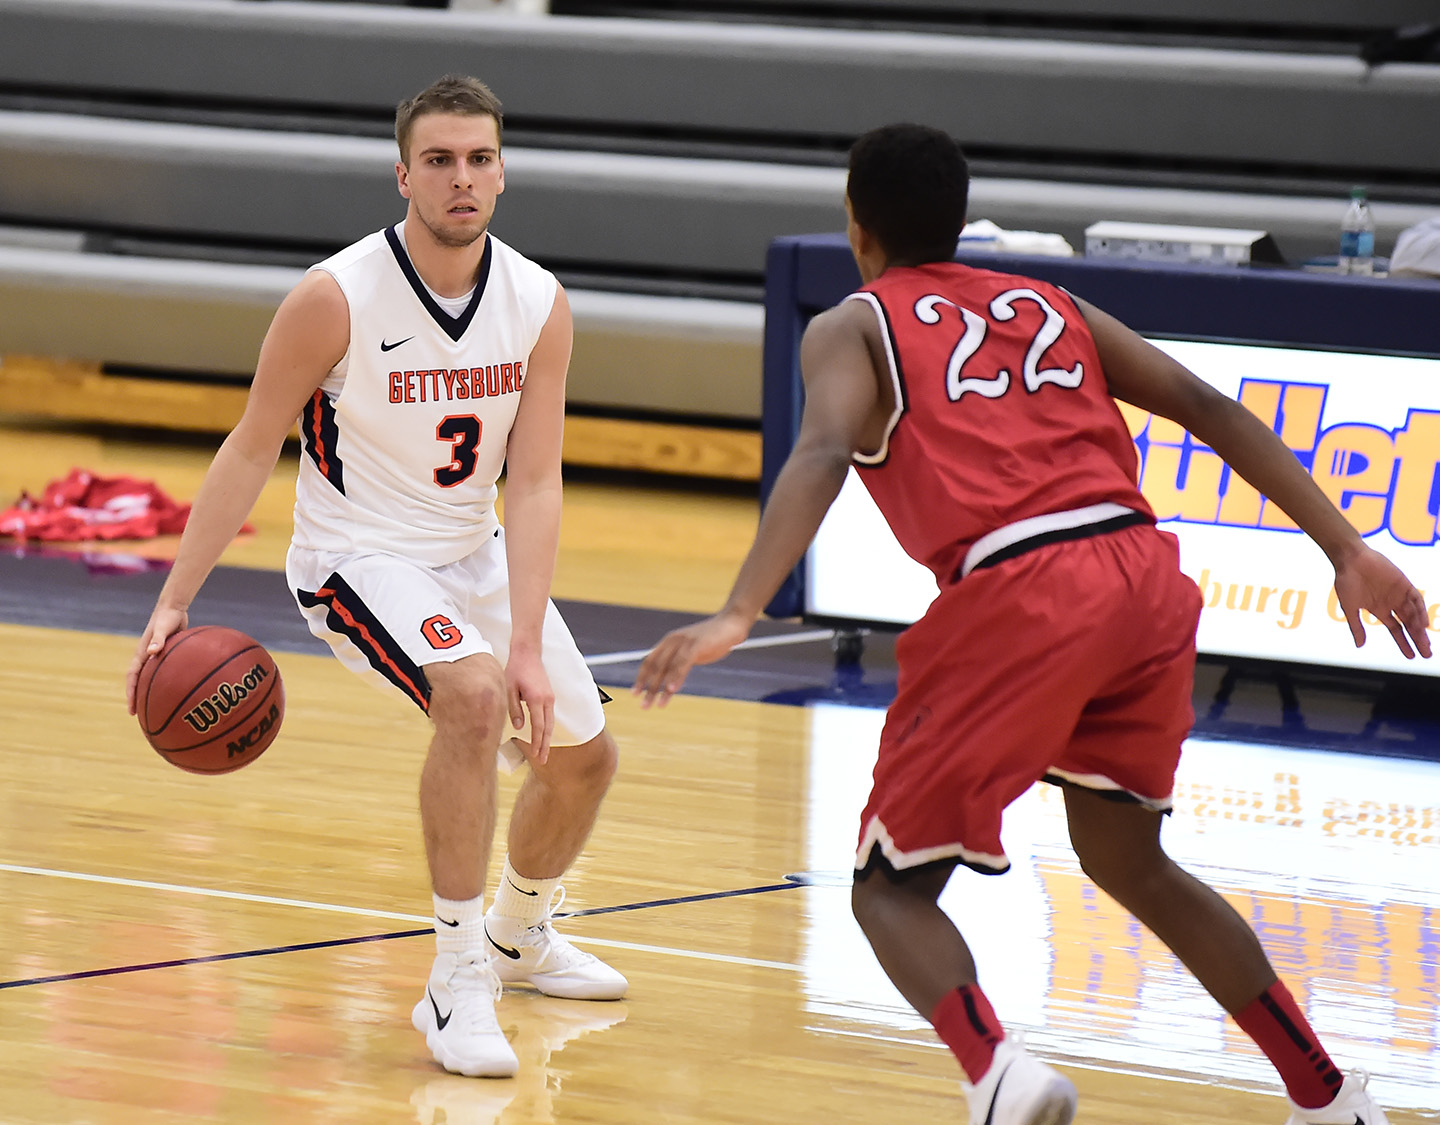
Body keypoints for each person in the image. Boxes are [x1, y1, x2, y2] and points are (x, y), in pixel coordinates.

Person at [634, 123, 1429, 1125]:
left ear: (855, 224)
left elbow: (824, 448)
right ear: (959, 219)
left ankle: (998, 1076)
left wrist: (740, 607)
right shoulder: (1048, 301)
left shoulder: (849, 323)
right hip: (1143, 578)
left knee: (886, 891)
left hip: (1022, 586)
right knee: (1126, 857)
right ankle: (1330, 1097)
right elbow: (1203, 405)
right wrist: (1343, 547)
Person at [126, 75, 627, 1080]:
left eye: (478, 158)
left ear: (501, 172)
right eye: (438, 160)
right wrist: (174, 598)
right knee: (473, 698)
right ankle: (452, 983)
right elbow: (247, 446)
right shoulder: (334, 296)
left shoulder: (536, 301)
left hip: (469, 548)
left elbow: (531, 482)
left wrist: (526, 636)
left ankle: (516, 935)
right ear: (402, 173)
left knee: (583, 760)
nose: (460, 178)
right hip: (356, 557)